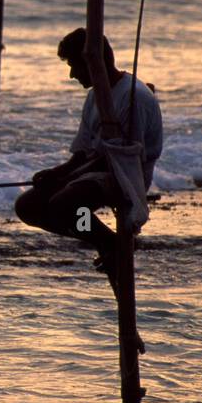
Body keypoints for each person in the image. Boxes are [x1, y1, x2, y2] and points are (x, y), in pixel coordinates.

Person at [14, 28, 163, 276]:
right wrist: (57, 172)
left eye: (74, 66)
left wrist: (67, 179)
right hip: (93, 171)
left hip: (127, 176)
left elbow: (122, 160)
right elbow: (83, 153)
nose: (72, 75)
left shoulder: (132, 98)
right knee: (28, 206)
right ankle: (103, 240)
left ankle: (111, 244)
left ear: (92, 63)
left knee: (64, 205)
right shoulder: (96, 96)